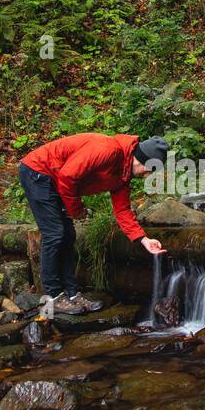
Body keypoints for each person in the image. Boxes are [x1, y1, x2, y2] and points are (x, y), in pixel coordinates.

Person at [18, 133, 169, 314]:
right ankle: (54, 297)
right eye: (150, 170)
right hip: (39, 172)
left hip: (57, 180)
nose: (147, 176)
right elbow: (67, 176)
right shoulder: (107, 150)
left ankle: (73, 294)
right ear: (142, 160)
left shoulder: (123, 174)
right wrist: (77, 211)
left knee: (68, 235)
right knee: (55, 233)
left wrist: (144, 240)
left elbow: (122, 211)